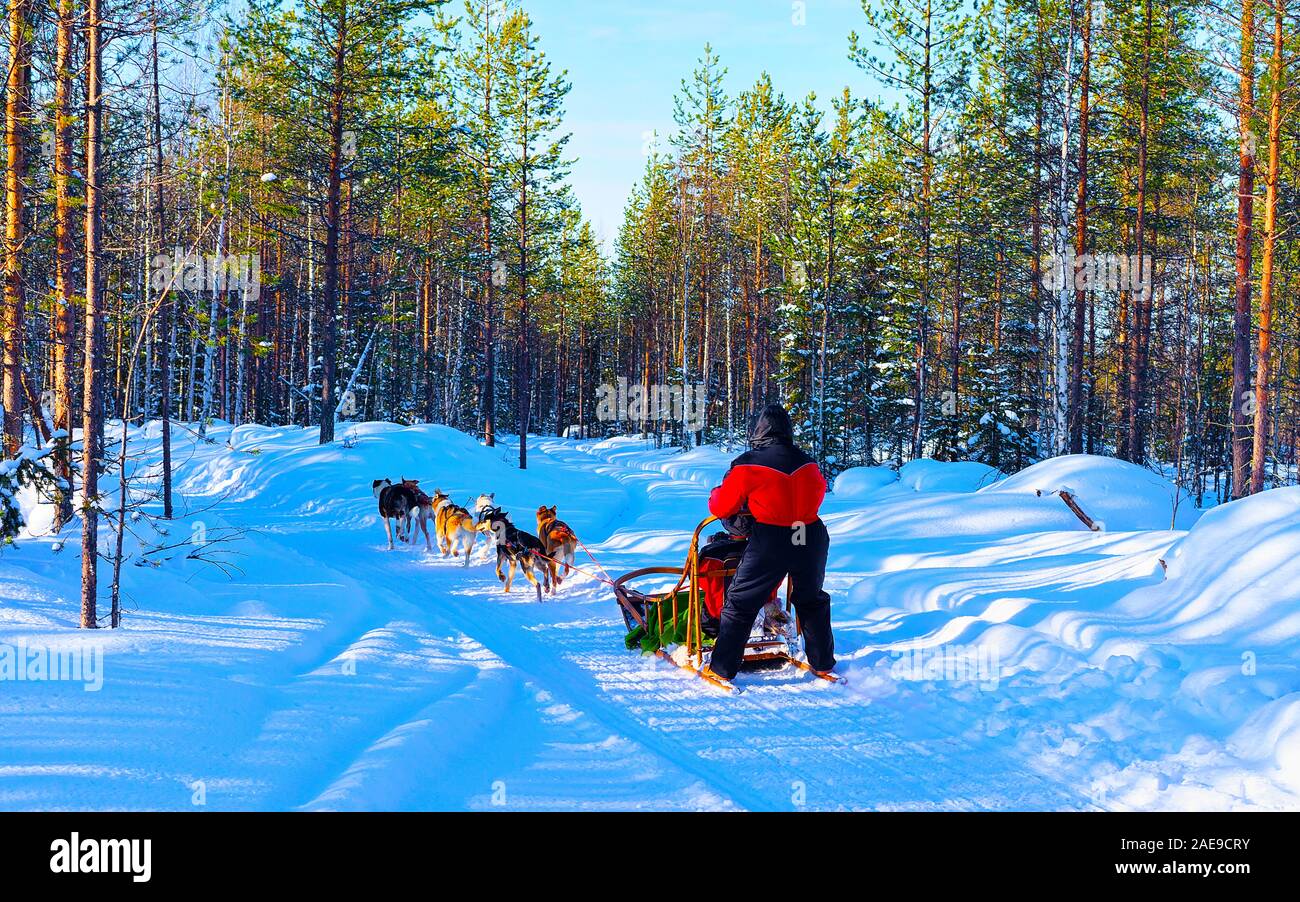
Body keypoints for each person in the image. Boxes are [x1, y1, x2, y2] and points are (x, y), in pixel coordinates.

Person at [705, 403, 836, 681]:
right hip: (807, 532)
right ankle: (823, 662)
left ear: (758, 430)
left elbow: (721, 505)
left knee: (740, 603)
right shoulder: (808, 462)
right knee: (811, 599)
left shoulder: (748, 464)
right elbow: (818, 492)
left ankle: (721, 669)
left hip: (772, 538)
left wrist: (720, 495)